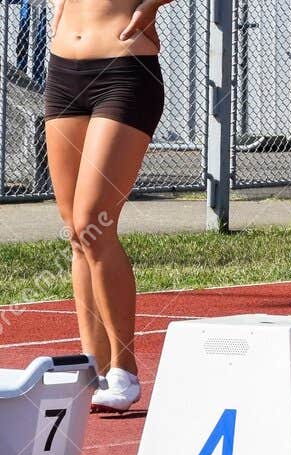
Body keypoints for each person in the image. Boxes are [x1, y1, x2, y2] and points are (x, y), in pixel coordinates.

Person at [43, 0, 172, 413]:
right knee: (77, 233)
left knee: (92, 223)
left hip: (123, 71)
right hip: (63, 70)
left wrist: (149, 6)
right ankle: (91, 366)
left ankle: (125, 369)